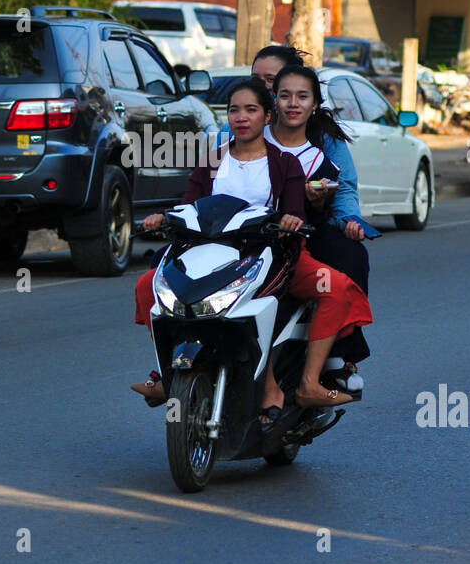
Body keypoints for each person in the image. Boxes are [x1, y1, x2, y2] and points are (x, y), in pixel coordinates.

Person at [131, 76, 372, 417]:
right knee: (147, 286)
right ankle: (167, 374)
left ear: (266, 117)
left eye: (250, 110)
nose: (241, 117)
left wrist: (290, 220)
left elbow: (295, 213)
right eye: (234, 110)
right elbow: (189, 205)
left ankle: (309, 383)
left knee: (334, 287)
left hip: (269, 256)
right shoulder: (212, 159)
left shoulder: (285, 163)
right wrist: (163, 218)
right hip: (207, 255)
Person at [266, 63, 371, 369]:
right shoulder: (239, 140)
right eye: (285, 95)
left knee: (345, 263)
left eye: (302, 96)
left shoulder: (320, 149)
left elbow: (344, 190)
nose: (293, 103)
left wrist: (345, 219)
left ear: (315, 103)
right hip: (245, 234)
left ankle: (338, 353)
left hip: (300, 236)